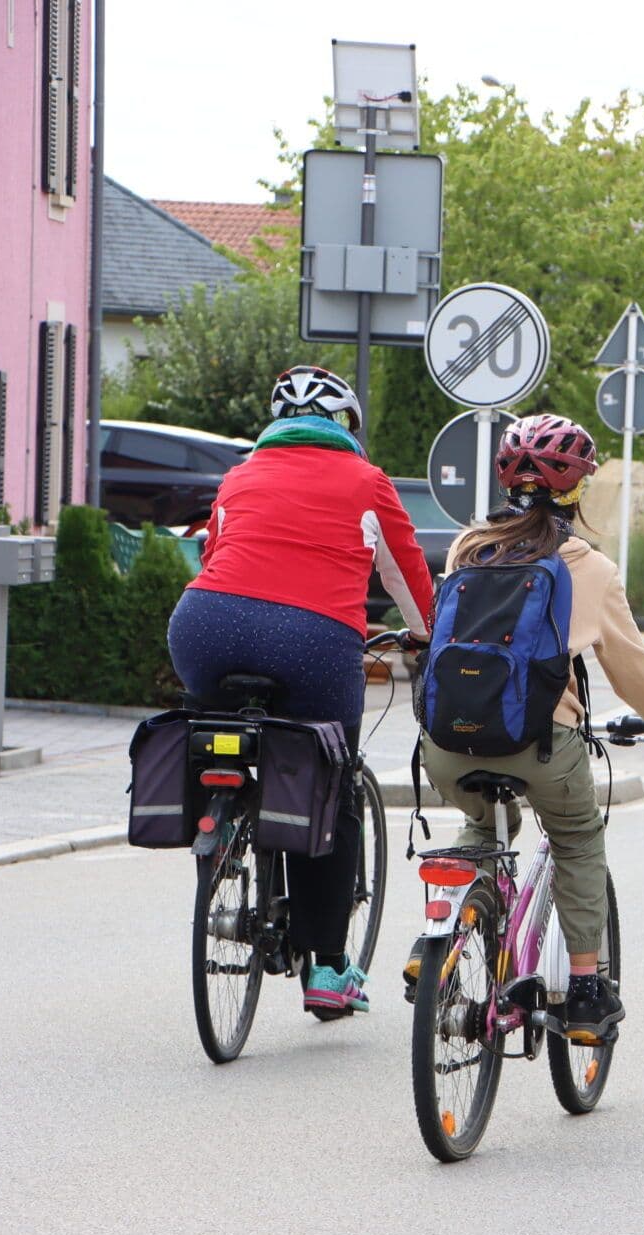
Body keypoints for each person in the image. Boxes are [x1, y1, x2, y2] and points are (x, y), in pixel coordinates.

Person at [414, 413, 644, 1045]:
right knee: (576, 839)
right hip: (540, 745)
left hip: (448, 744)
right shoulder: (586, 565)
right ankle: (588, 989)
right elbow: (635, 675)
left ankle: (446, 934)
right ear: (575, 489)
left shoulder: (467, 547)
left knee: (482, 824)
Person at [168, 365, 434, 1016]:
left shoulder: (239, 474)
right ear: (346, 428)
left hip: (204, 627)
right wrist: (426, 637)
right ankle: (330, 969)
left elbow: (218, 557)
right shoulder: (367, 482)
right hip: (313, 642)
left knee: (217, 736)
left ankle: (221, 813)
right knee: (331, 780)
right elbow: (408, 575)